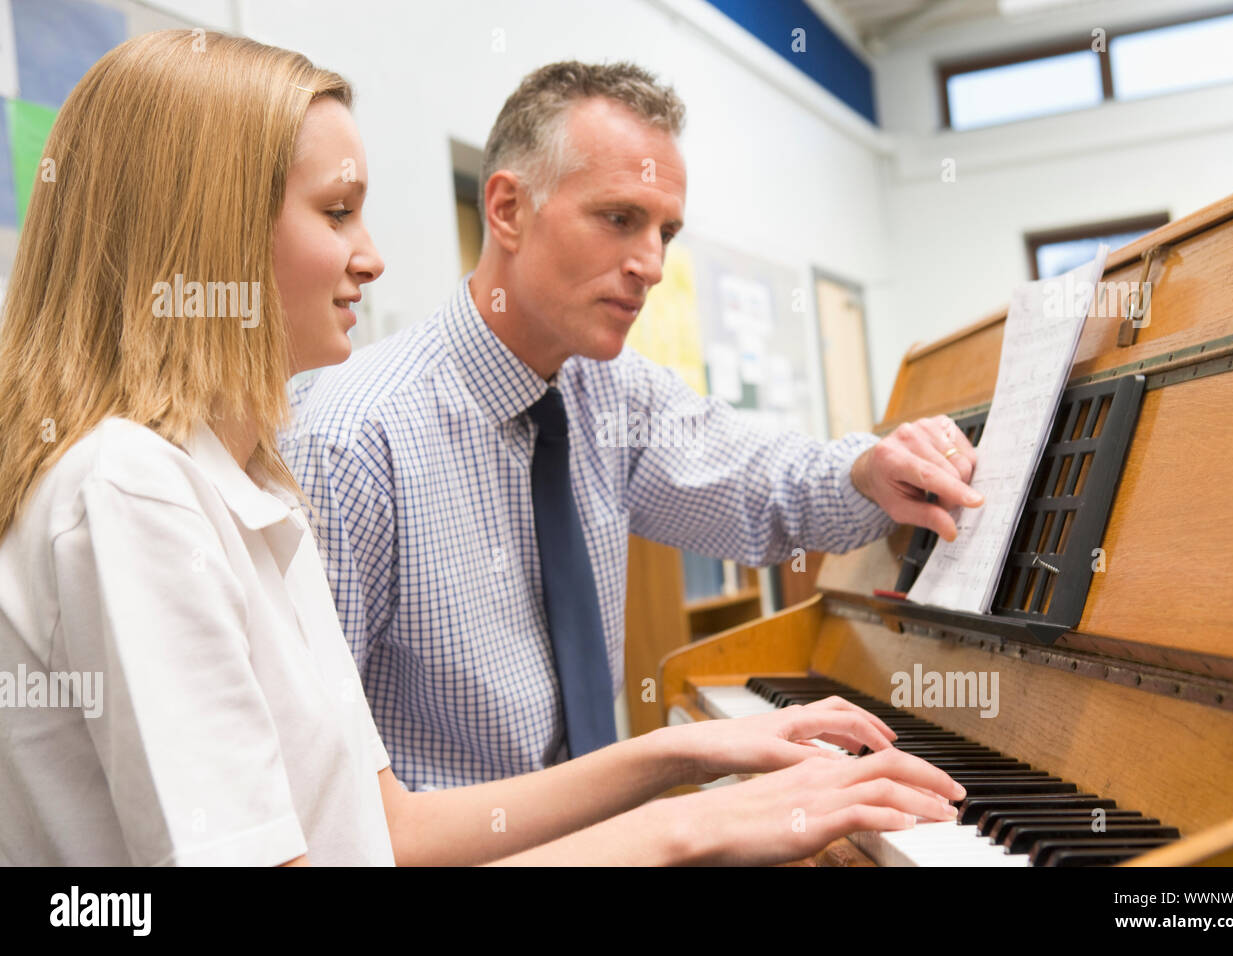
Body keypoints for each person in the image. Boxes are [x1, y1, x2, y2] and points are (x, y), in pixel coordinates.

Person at [0, 30, 964, 867]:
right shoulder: (195, 479)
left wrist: (691, 760)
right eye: (337, 213)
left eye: (664, 231)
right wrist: (691, 827)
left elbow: (380, 829)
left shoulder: (253, 479)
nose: (651, 266)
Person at [285, 61, 983, 791]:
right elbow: (318, 782)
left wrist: (867, 469)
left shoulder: (611, 391)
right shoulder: (351, 439)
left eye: (666, 232)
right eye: (620, 219)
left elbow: (762, 484)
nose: (651, 265)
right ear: (508, 210)